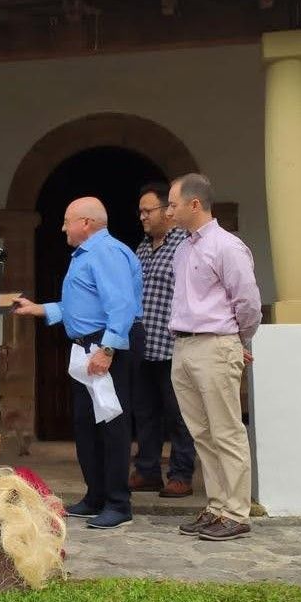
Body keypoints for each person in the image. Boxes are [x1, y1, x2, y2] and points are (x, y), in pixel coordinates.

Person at [13, 197, 143, 530]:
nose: (62, 227)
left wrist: (108, 349)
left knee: (112, 422)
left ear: (86, 223)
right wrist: (40, 309)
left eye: (67, 220)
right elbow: (81, 304)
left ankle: (118, 502)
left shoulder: (106, 252)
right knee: (87, 423)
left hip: (107, 344)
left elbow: (122, 305)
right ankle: (96, 495)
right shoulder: (86, 254)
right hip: (88, 346)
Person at [166, 173, 262, 541]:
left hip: (216, 343)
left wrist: (238, 340)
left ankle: (237, 512)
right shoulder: (183, 248)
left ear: (195, 204)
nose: (168, 210)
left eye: (173, 204)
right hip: (185, 345)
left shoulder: (226, 246)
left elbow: (248, 302)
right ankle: (217, 505)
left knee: (226, 430)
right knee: (201, 433)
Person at [131, 182, 196, 497]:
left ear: (168, 212)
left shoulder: (185, 245)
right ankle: (148, 471)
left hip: (173, 347)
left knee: (179, 415)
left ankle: (181, 475)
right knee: (145, 415)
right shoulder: (141, 248)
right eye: (140, 211)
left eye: (148, 210)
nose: (142, 216)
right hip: (143, 347)